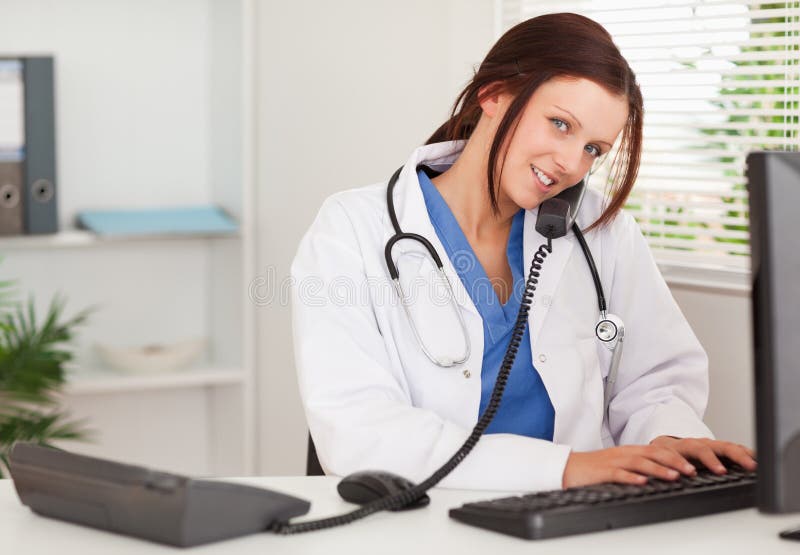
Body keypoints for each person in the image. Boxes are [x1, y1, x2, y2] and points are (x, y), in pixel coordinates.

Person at [290, 12, 756, 492]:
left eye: (594, 148)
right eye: (560, 124)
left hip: (579, 517)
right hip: (424, 520)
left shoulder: (601, 231)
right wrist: (564, 468)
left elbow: (656, 380)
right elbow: (358, 431)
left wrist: (670, 439)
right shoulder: (352, 228)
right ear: (492, 95)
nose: (572, 163)